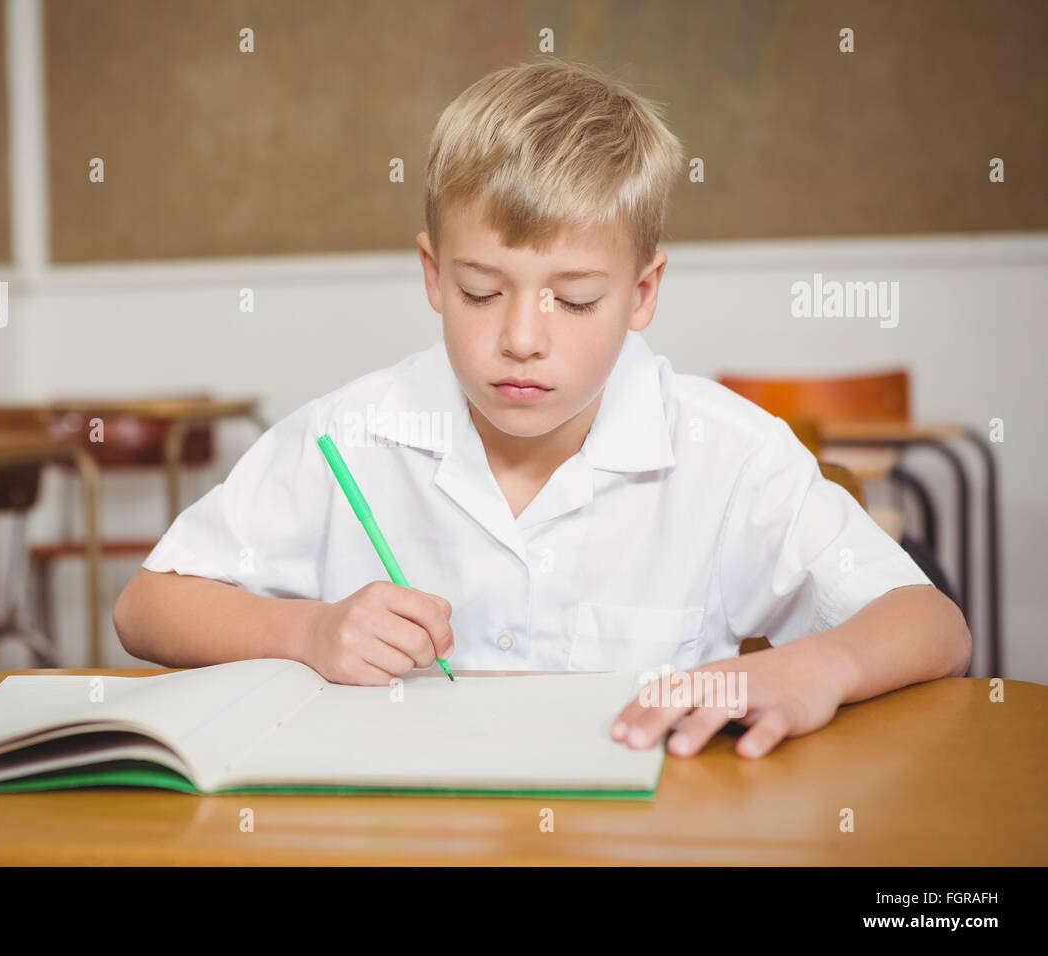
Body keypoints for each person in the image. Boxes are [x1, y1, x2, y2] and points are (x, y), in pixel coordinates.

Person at [114, 58, 970, 759]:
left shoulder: (724, 451)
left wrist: (815, 667)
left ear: (643, 292)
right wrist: (305, 632)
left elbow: (933, 626)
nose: (522, 337)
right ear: (432, 276)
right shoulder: (350, 435)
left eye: (575, 299)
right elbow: (145, 608)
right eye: (482, 292)